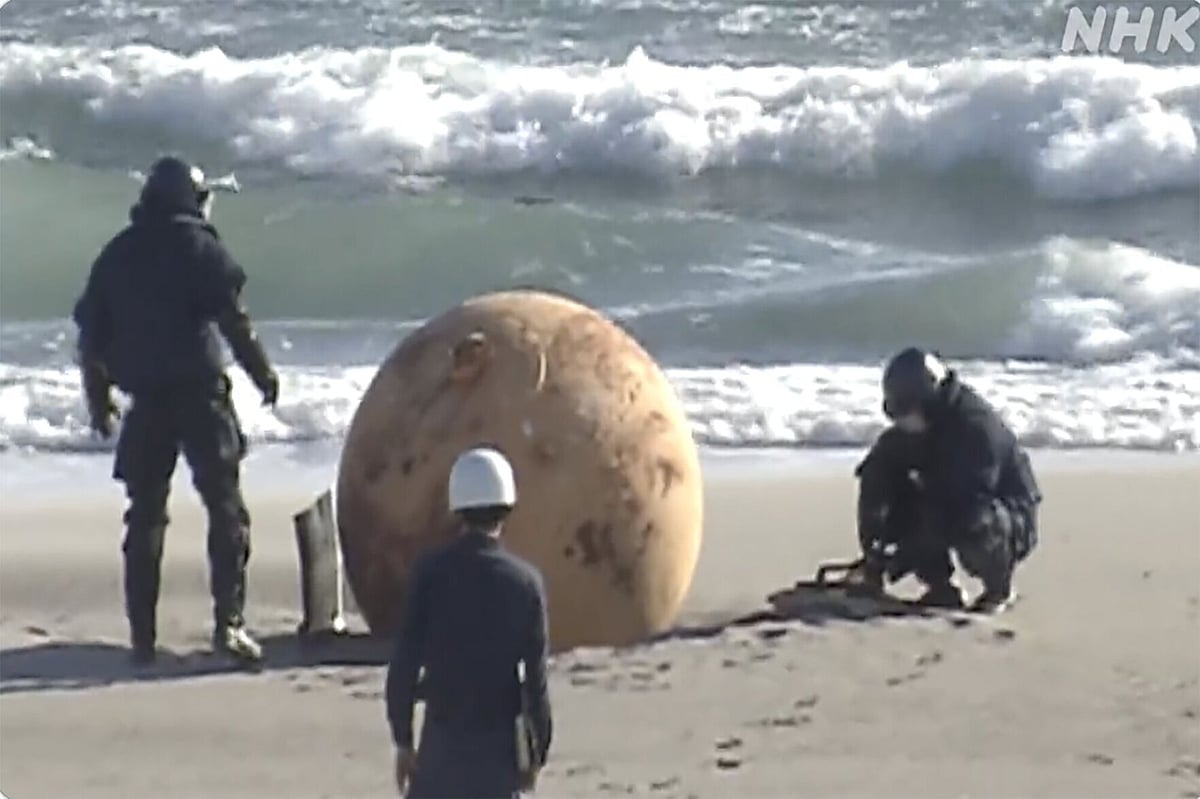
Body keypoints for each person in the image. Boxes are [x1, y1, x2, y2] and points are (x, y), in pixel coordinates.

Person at [72, 155, 279, 667]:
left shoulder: (117, 255)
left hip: (146, 403)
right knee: (226, 509)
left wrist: (99, 404)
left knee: (144, 516)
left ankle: (142, 638)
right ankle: (228, 624)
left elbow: (91, 340)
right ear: (190, 200)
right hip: (201, 397)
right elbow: (234, 319)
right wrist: (263, 374)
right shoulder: (199, 245)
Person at [386, 446, 553, 798]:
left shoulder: (429, 573)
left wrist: (403, 740)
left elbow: (403, 667)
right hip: (498, 760)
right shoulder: (526, 583)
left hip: (439, 753)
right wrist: (537, 753)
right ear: (507, 506)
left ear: (457, 507)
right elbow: (536, 685)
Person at [853, 347, 1042, 613]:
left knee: (974, 518)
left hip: (1007, 515)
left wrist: (904, 553)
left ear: (928, 400)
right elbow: (875, 474)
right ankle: (941, 588)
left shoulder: (976, 429)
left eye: (906, 411)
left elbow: (963, 497)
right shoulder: (912, 430)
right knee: (887, 482)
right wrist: (874, 543)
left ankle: (999, 589)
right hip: (946, 500)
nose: (901, 420)